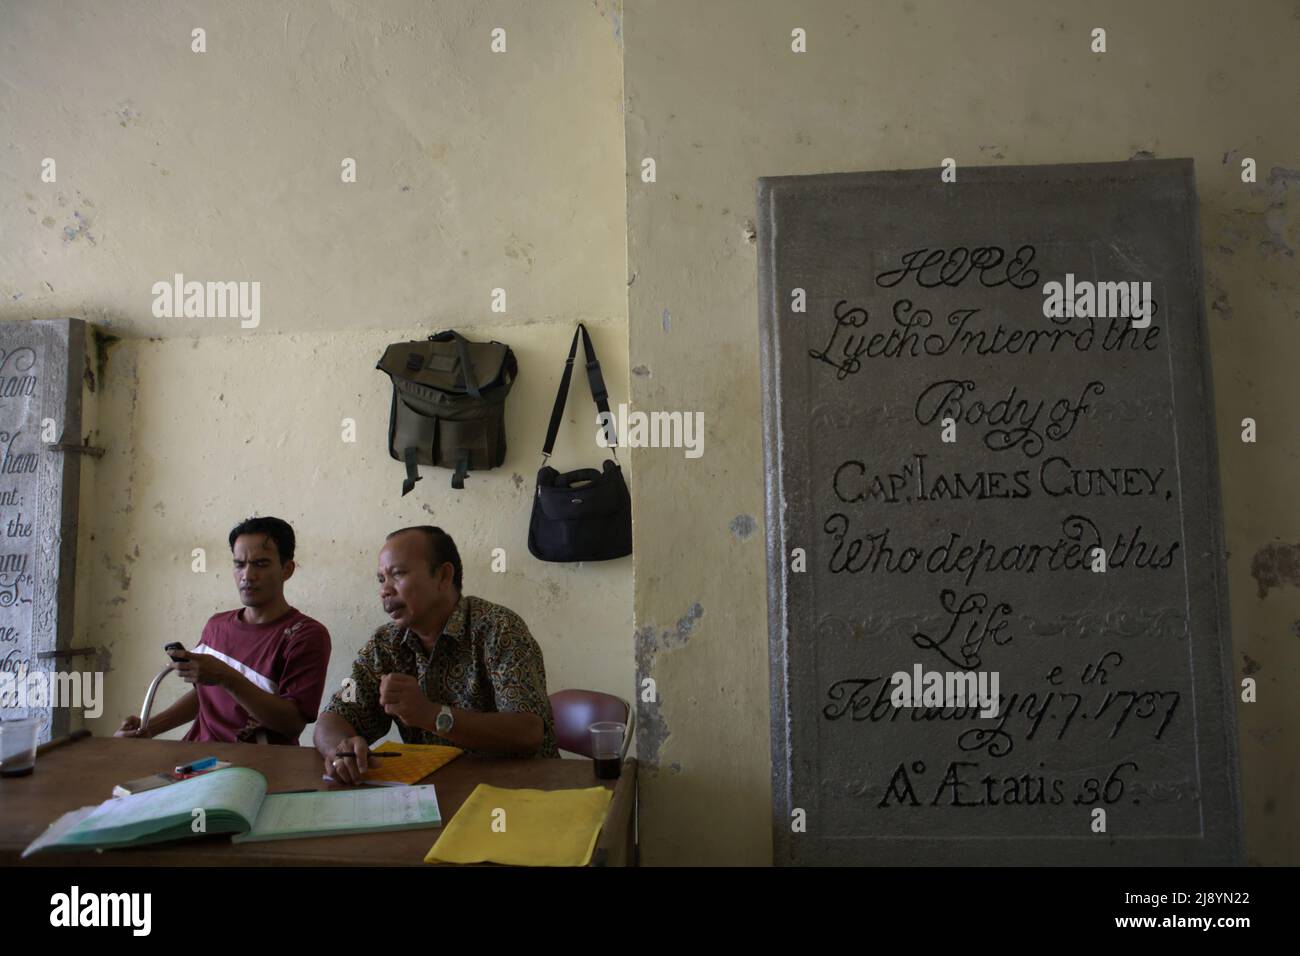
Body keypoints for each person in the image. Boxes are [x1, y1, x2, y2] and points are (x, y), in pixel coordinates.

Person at [315, 525, 558, 782]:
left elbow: (528, 732)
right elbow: (334, 715)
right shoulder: (385, 643)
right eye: (381, 579)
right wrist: (340, 750)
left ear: (443, 576)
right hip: (433, 793)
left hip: (518, 790)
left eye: (397, 574)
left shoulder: (498, 629)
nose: (385, 590)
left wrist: (431, 715)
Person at [115, 516, 331, 744]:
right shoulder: (217, 625)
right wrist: (148, 727)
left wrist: (227, 677)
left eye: (261, 564)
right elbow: (206, 696)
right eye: (239, 564)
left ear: (286, 570)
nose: (247, 575)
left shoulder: (305, 635)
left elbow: (291, 723)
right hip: (196, 758)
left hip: (257, 766)